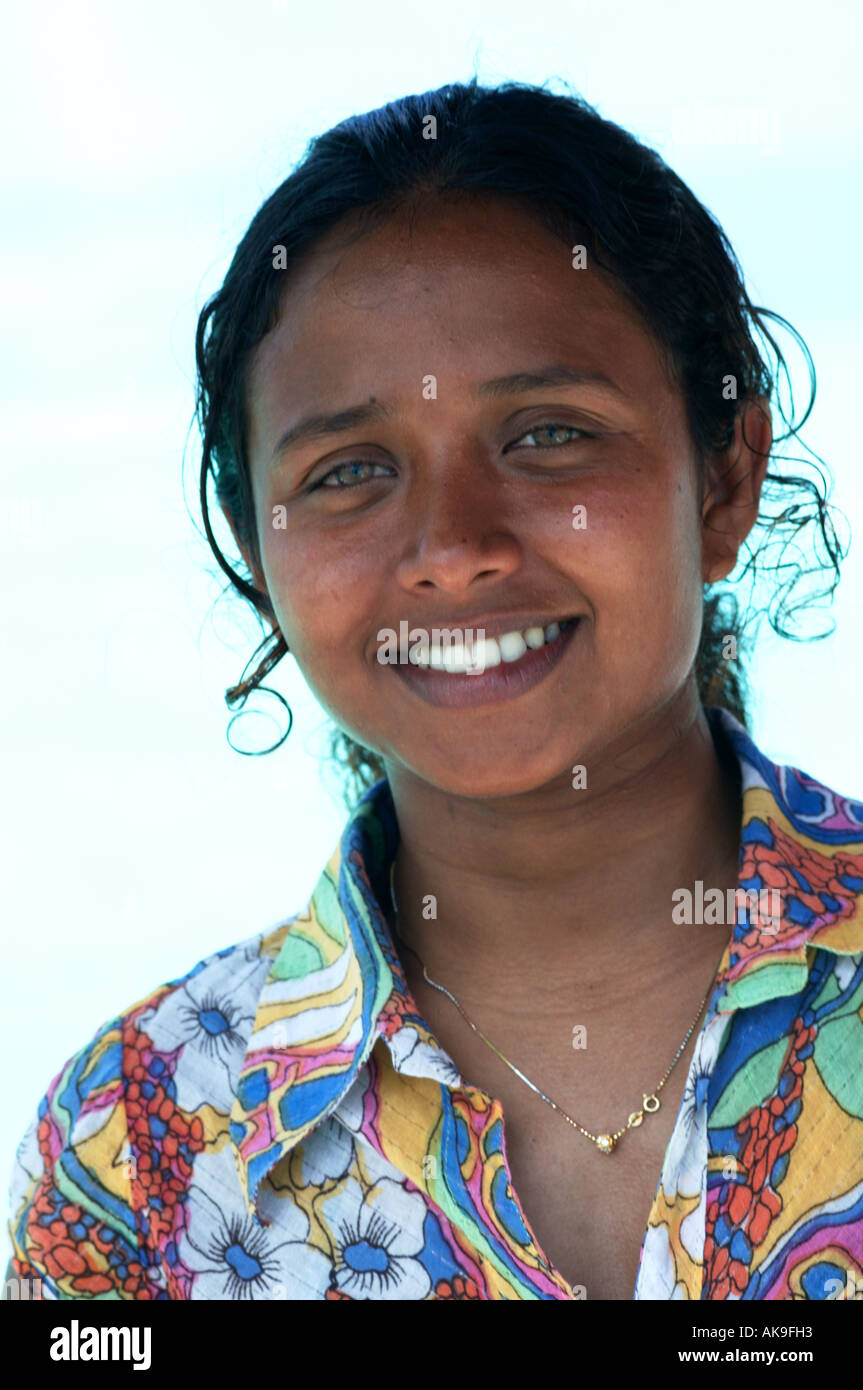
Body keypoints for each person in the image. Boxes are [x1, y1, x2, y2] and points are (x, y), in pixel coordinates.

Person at [7, 78, 862, 1303]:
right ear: (260, 556)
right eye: (350, 469)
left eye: (548, 434)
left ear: (723, 480)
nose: (453, 544)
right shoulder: (138, 1152)